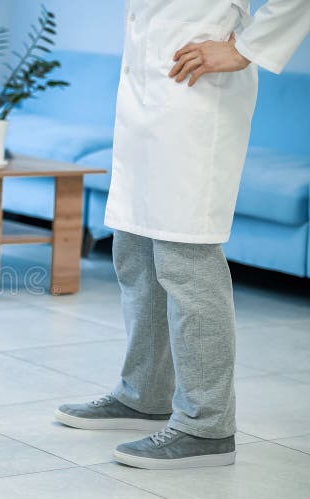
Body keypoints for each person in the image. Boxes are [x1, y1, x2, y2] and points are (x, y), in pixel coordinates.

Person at [56, 0, 310, 469]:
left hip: (197, 95)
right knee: (133, 248)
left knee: (185, 256)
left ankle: (206, 425)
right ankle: (144, 394)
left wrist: (246, 48)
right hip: (148, 90)